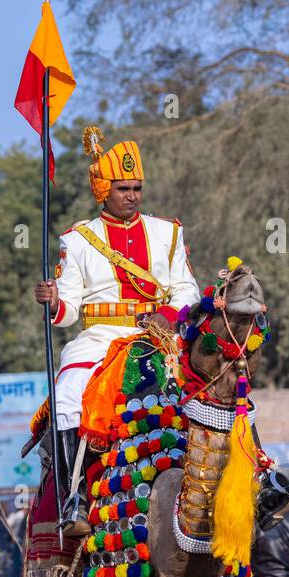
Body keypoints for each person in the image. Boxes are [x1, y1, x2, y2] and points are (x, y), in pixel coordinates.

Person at [32, 131, 200, 533]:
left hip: (160, 336)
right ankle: (75, 499)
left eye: (137, 188)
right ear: (102, 190)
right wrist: (54, 301)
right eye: (123, 188)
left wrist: (170, 314)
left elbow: (187, 288)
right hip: (100, 338)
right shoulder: (78, 240)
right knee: (69, 393)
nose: (132, 196)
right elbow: (70, 310)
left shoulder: (167, 232)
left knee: (219, 378)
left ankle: (262, 480)